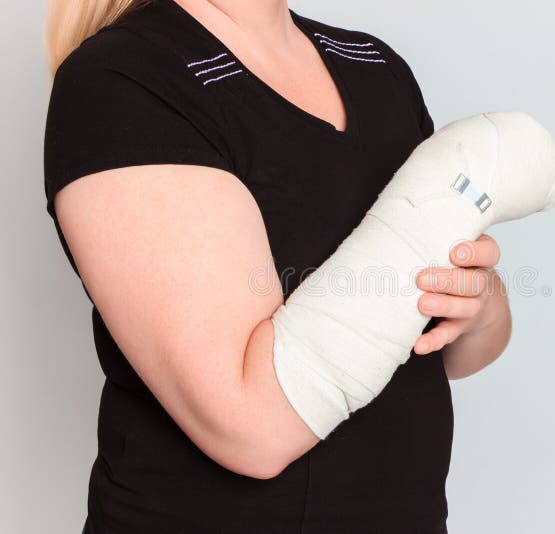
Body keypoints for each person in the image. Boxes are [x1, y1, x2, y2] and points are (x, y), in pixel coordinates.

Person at [44, 0, 513, 532]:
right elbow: (253, 428)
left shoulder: (376, 67)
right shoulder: (122, 81)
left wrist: (483, 310)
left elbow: (427, 353)